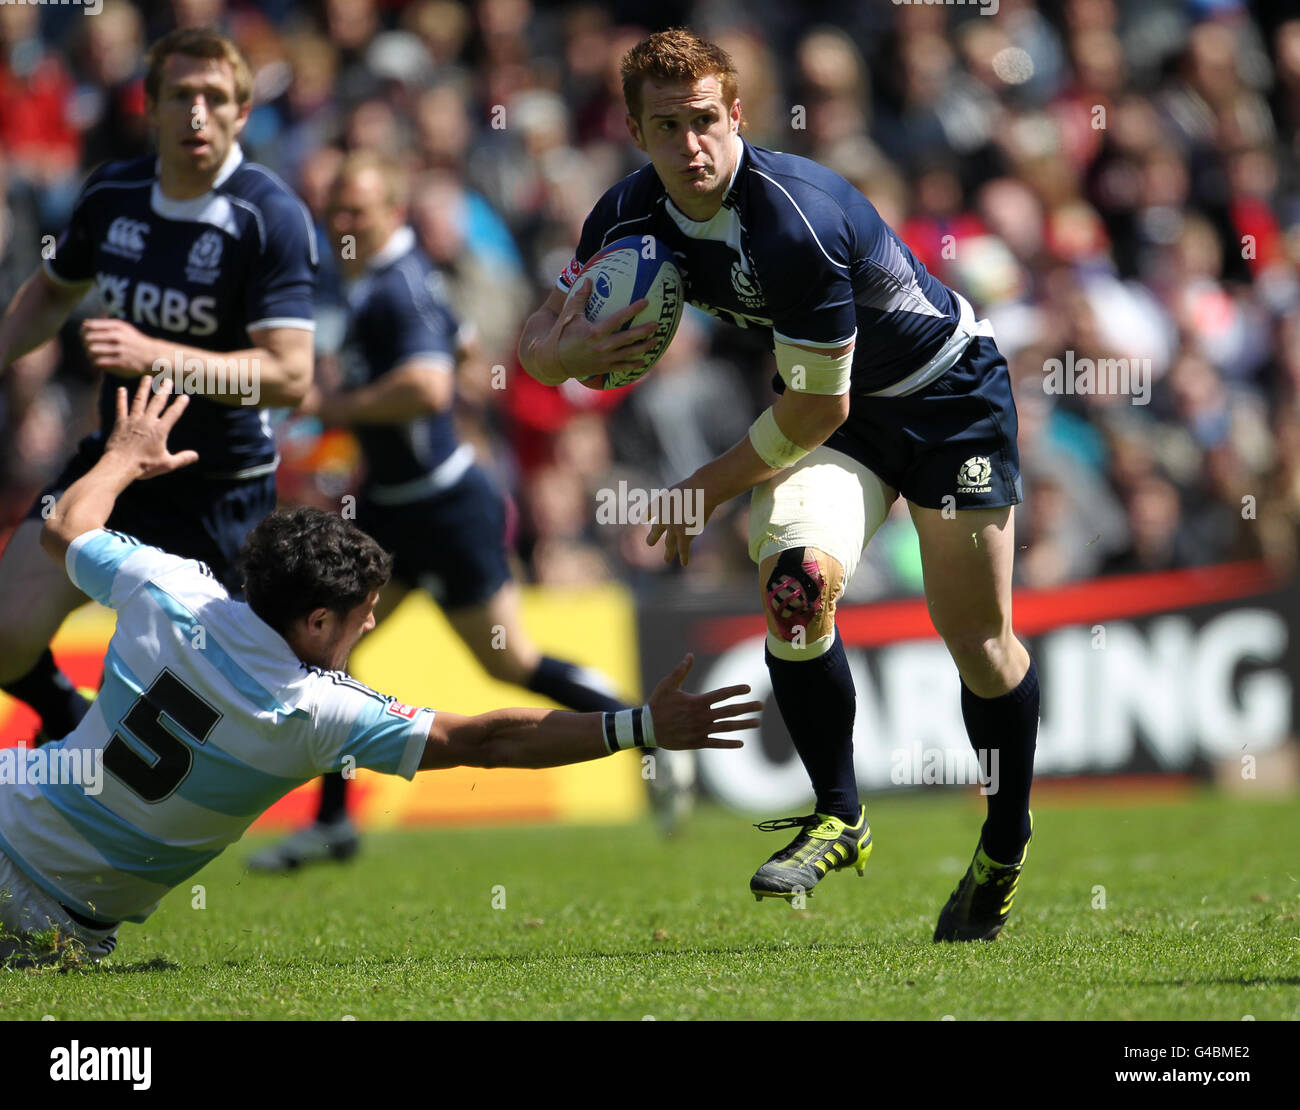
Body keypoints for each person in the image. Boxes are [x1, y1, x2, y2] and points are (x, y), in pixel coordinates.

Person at [518, 30, 1039, 942]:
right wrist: (564, 351)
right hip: (840, 418)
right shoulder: (624, 214)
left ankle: (1003, 841)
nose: (692, 145)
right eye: (668, 126)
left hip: (947, 399)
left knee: (980, 646)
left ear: (739, 117)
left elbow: (813, 413)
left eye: (707, 121)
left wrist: (701, 491)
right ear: (638, 134)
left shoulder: (792, 219)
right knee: (794, 586)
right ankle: (840, 813)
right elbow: (536, 337)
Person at [0, 376, 758, 963]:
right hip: (64, 928)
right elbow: (491, 741)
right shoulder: (318, 713)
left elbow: (66, 525)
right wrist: (641, 725)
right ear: (318, 620)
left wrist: (125, 455)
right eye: (364, 611)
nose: (372, 620)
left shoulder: (175, 591)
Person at [247, 153, 654, 872]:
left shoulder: (396, 286)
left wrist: (330, 406)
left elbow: (431, 387)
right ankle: (334, 823)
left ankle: (642, 725)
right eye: (335, 210)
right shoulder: (374, 279)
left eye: (357, 212)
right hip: (390, 505)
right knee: (332, 652)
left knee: (509, 663)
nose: (342, 223)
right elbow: (462, 349)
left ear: (392, 212)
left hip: (446, 506)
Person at [0, 27, 317, 743]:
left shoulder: (269, 217)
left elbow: (290, 377)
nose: (197, 113)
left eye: (215, 97)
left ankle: (323, 802)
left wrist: (156, 355)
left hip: (220, 487)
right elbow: (52, 291)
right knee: (5, 632)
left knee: (234, 708)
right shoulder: (111, 195)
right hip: (114, 461)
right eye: (181, 95)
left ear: (241, 111)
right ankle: (66, 716)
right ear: (151, 107)